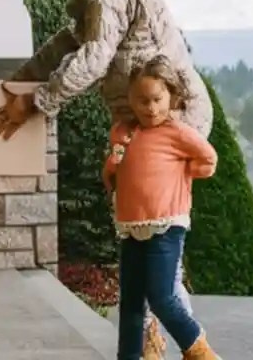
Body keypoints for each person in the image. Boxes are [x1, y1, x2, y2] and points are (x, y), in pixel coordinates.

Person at [0, 0, 214, 358]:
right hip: (138, 125)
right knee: (142, 250)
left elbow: (93, 59)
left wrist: (35, 102)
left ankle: (190, 349)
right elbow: (71, 41)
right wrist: (19, 80)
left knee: (161, 257)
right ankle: (149, 345)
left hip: (169, 124)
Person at [104, 56, 220, 360]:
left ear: (171, 97)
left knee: (162, 297)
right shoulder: (123, 133)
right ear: (130, 98)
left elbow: (208, 159)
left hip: (166, 226)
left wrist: (180, 176)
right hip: (130, 227)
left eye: (157, 99)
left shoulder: (177, 133)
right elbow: (114, 169)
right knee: (130, 304)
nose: (150, 108)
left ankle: (198, 351)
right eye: (142, 101)